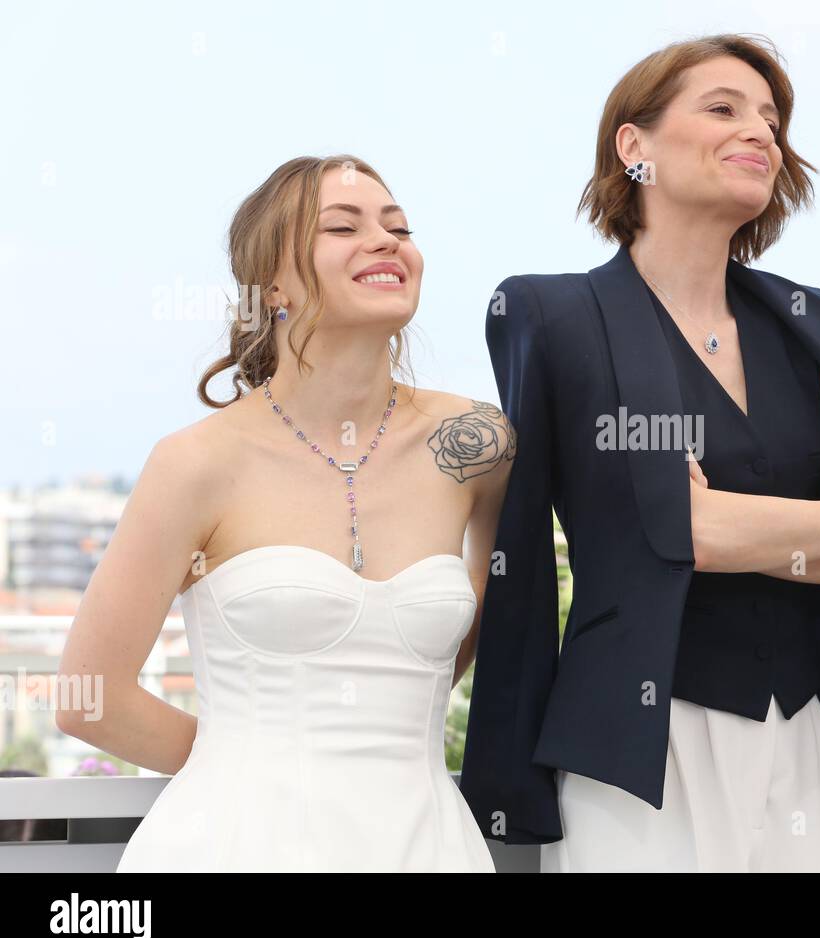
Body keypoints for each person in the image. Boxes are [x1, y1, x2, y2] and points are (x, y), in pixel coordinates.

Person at [460, 34, 820, 872]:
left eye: (771, 119)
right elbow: (676, 527)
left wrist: (736, 524)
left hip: (805, 741)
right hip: (640, 750)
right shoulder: (553, 317)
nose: (760, 131)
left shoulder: (818, 322)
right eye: (723, 108)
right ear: (635, 146)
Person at [56, 155, 509, 872]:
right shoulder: (197, 463)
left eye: (400, 227)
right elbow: (88, 698)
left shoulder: (476, 446)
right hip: (235, 846)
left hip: (430, 848)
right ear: (273, 284)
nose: (387, 240)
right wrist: (238, 765)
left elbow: (487, 617)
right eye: (343, 226)